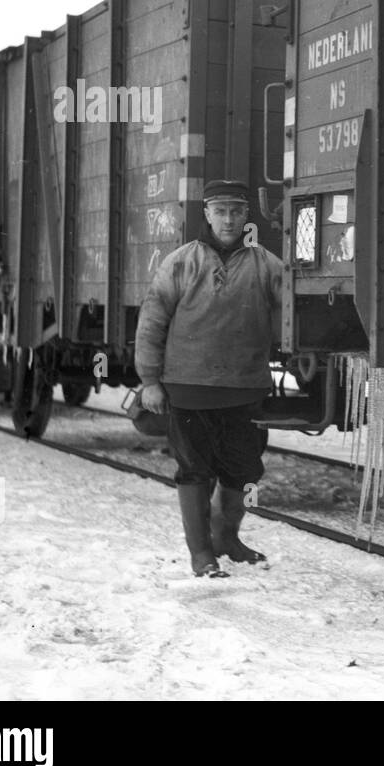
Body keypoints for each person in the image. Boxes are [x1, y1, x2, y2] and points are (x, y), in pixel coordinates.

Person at [135, 179, 284, 577]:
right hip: (189, 389)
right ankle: (201, 553)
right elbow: (152, 321)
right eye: (220, 211)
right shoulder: (181, 263)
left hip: (244, 387)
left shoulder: (267, 264)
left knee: (242, 469)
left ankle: (227, 539)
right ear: (206, 214)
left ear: (246, 215)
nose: (229, 219)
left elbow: (289, 317)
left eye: (236, 211)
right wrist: (150, 380)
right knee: (194, 470)